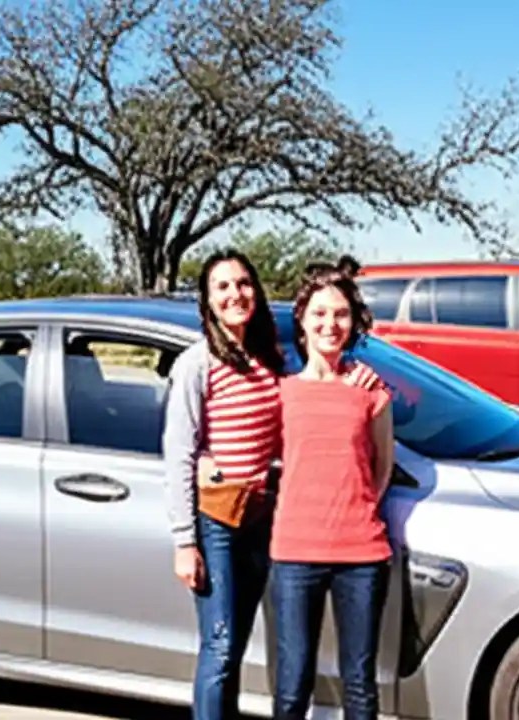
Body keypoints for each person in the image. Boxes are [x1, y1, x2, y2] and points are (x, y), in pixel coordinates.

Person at [162, 248, 288, 720]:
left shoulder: (268, 359)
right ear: (207, 301)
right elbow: (178, 452)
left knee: (233, 644)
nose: (235, 294)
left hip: (258, 515)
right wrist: (184, 541)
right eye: (222, 287)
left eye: (243, 283)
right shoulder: (198, 363)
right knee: (218, 645)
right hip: (216, 518)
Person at [268, 255, 395, 720]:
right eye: (320, 313)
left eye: (340, 314)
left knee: (359, 683)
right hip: (295, 553)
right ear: (301, 319)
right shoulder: (282, 392)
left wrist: (357, 508)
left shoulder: (370, 389)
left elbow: (383, 466)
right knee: (292, 681)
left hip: (361, 555)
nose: (330, 324)